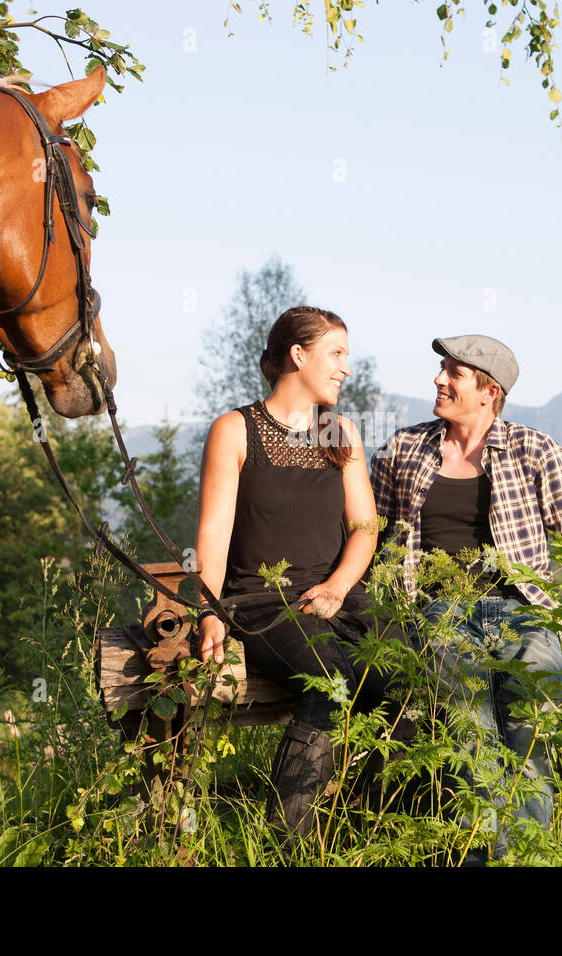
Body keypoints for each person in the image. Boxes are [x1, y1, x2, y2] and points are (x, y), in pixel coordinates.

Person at [369, 333, 562, 862]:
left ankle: (520, 856)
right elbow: (369, 535)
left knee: (528, 727)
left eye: (453, 372)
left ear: (489, 390)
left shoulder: (534, 450)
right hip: (439, 611)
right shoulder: (403, 450)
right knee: (470, 731)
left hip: (525, 610)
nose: (438, 379)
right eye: (441, 369)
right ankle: (482, 856)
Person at [194, 305, 403, 840]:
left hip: (338, 597)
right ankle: (286, 844)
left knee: (408, 680)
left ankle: (364, 828)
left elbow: (365, 528)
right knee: (329, 686)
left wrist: (338, 586)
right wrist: (209, 612)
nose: (345, 368)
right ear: (298, 355)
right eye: (336, 353)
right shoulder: (234, 430)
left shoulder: (340, 433)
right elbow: (213, 534)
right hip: (263, 603)